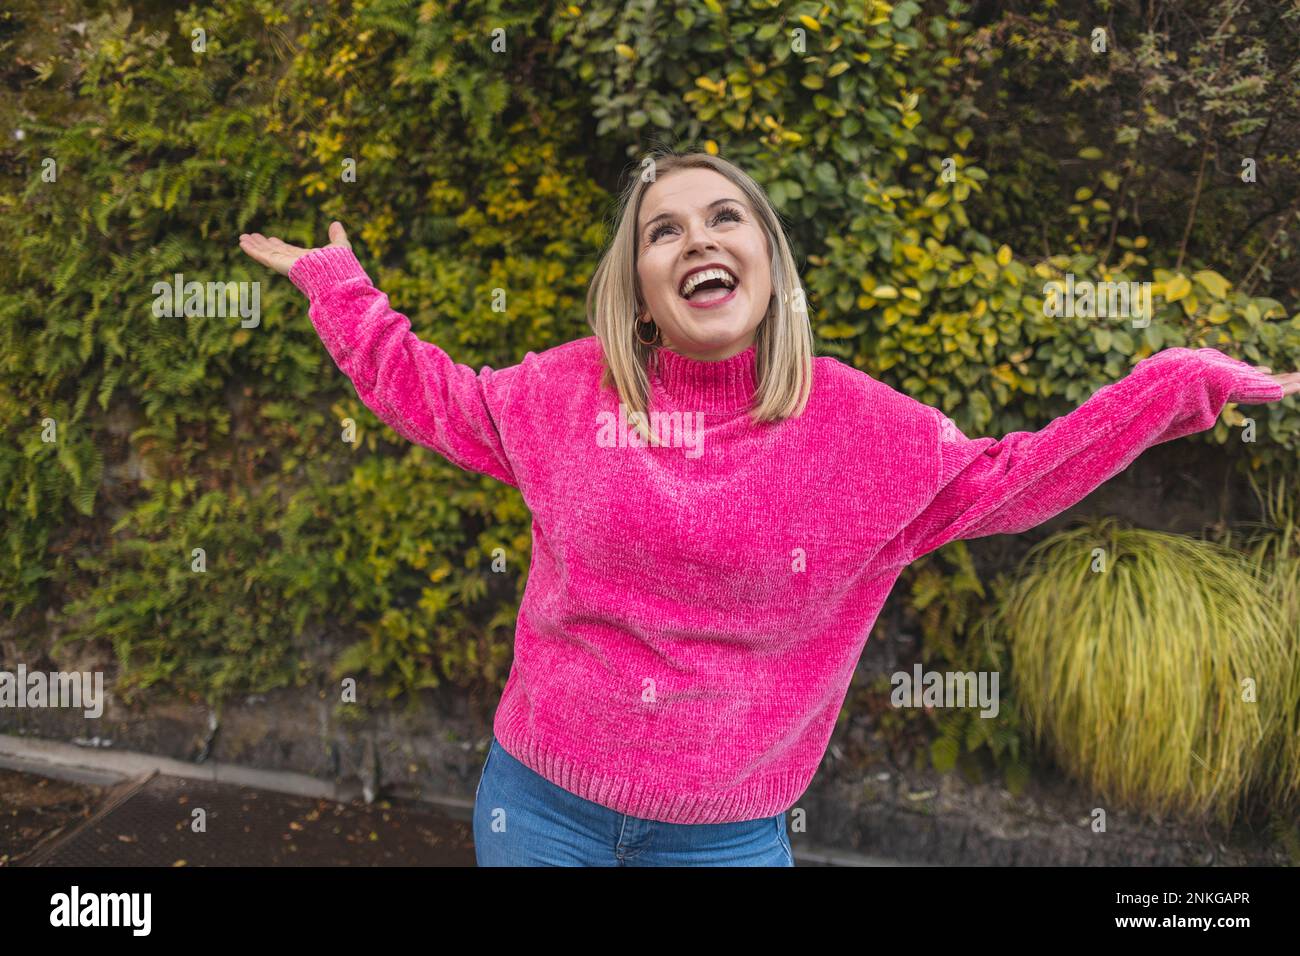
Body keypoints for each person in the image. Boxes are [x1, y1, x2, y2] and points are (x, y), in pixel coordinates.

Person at [239, 150, 1299, 867]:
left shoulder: (866, 431)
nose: (696, 239)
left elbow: (1016, 478)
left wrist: (1165, 387)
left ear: (766, 262)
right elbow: (436, 394)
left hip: (725, 835)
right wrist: (343, 292)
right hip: (536, 807)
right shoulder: (565, 394)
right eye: (662, 231)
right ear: (639, 286)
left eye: (723, 216)